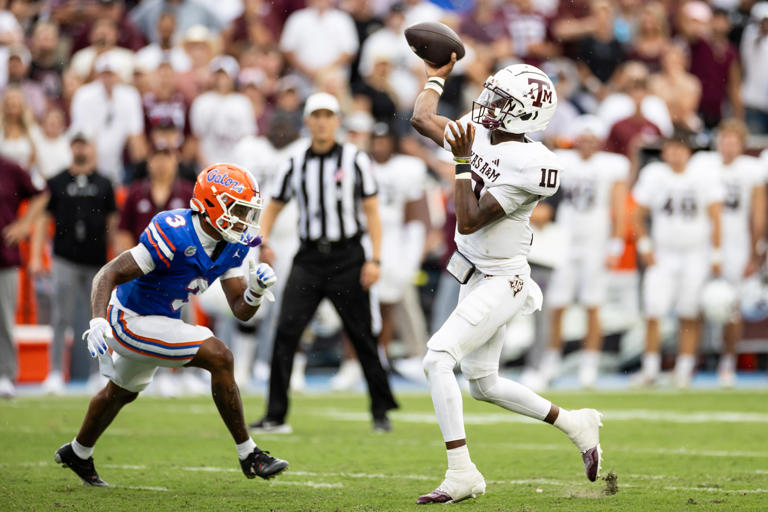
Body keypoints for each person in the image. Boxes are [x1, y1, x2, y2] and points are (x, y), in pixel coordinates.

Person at [409, 56, 602, 504]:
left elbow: (470, 219)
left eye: (500, 100)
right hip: (474, 271)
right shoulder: (482, 127)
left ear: (525, 113)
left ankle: (462, 472)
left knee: (437, 359)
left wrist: (461, 162)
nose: (488, 104)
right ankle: (576, 423)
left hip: (503, 278)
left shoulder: (533, 164)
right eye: (492, 94)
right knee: (483, 383)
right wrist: (436, 76)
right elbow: (422, 119)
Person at [54, 163, 288, 486]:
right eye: (238, 209)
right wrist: (97, 320)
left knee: (120, 392)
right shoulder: (174, 232)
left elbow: (241, 310)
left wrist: (255, 292)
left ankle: (77, 452)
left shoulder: (231, 243)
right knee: (220, 356)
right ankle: (250, 454)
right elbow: (108, 273)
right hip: (128, 320)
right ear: (212, 204)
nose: (244, 219)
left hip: (161, 320)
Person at [249, 92, 398, 433]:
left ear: (337, 121)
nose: (321, 122)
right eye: (315, 115)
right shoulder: (294, 162)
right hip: (310, 257)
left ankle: (381, 410)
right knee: (286, 331)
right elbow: (272, 207)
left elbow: (372, 212)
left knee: (363, 334)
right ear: (307, 121)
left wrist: (375, 259)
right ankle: (275, 414)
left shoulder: (355, 159)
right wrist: (263, 241)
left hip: (348, 255)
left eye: (327, 116)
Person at [533, 115, 628, 389]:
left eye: (591, 140)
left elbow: (619, 207)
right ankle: (550, 360)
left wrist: (616, 244)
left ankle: (590, 363)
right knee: (556, 304)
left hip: (595, 243)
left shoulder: (611, 166)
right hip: (563, 242)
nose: (587, 145)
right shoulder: (562, 161)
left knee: (592, 305)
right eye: (583, 139)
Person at [631, 133, 725, 388]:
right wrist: (645, 246)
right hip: (663, 254)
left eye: (679, 149)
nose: (675, 154)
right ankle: (650, 368)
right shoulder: (655, 175)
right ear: (664, 152)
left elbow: (716, 216)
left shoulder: (703, 175)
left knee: (689, 312)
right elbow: (637, 214)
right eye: (671, 149)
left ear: (689, 153)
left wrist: (716, 253)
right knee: (653, 311)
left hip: (695, 254)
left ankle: (684, 369)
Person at [32, 131, 118, 393]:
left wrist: (117, 258)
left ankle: (98, 372)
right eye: (77, 144)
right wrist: (36, 256)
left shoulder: (104, 183)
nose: (81, 149)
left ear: (91, 148)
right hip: (65, 258)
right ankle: (55, 372)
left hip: (97, 261)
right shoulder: (57, 181)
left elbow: (113, 222)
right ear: (71, 147)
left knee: (98, 319)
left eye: (85, 144)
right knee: (61, 316)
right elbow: (43, 219)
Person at [689, 119, 766, 387]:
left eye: (733, 142)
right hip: (701, 241)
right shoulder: (703, 164)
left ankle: (728, 362)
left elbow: (758, 214)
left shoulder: (751, 170)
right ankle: (690, 361)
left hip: (736, 244)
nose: (728, 147)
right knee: (693, 303)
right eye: (724, 140)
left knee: (731, 307)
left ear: (742, 145)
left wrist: (755, 252)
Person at [0, 156, 48, 398]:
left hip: (3, 255)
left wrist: (24, 224)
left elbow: (41, 194)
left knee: (3, 318)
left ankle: (4, 374)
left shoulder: (9, 168)